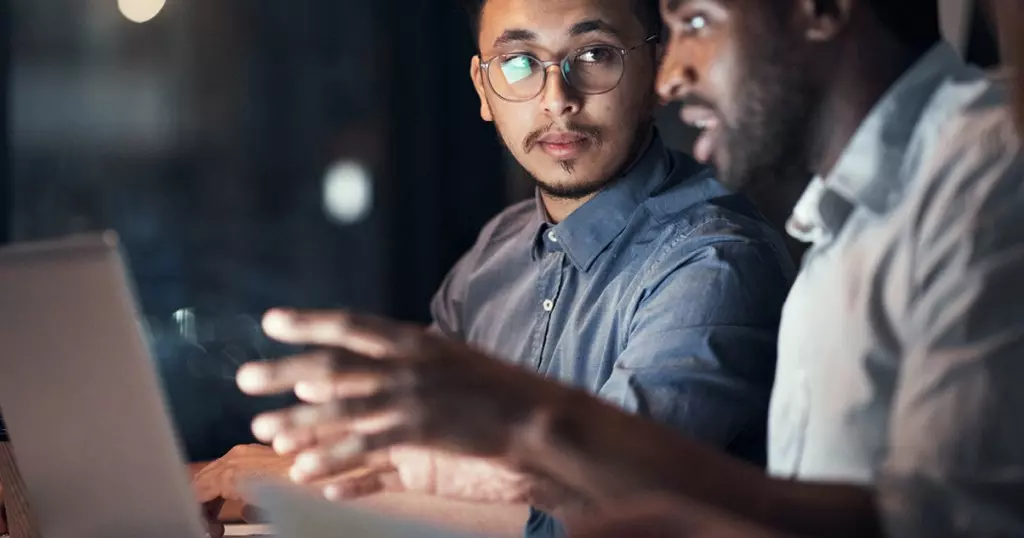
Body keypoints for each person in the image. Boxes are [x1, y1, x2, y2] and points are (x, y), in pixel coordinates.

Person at [236, 0, 1024, 536]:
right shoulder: (847, 223)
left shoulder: (983, 175)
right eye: (519, 67)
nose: (676, 71)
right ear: (482, 88)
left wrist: (533, 429)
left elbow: (936, 525)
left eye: (696, 21)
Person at [195, 0, 792, 536]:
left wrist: (278, 484)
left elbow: (602, 515)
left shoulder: (713, 262)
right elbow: (409, 449)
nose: (557, 98)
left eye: (595, 54)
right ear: (483, 89)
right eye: (518, 63)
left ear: (656, 71)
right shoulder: (497, 251)